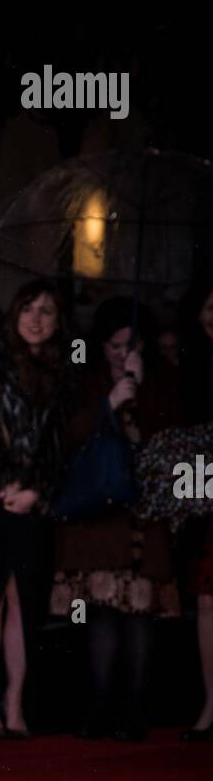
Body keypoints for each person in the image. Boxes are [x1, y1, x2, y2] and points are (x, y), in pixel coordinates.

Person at [50, 299, 180, 739]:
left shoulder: (160, 382)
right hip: (97, 520)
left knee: (139, 612)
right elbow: (67, 436)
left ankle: (135, 711)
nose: (124, 353)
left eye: (132, 344)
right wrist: (109, 400)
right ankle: (100, 707)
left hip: (143, 520)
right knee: (101, 613)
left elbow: (169, 441)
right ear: (102, 346)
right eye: (116, 345)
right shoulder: (85, 380)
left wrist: (141, 394)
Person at [0, 279, 72, 736]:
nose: (37, 319)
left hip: (34, 506)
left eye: (47, 311)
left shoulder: (63, 370)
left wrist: (37, 490)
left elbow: (63, 447)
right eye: (28, 309)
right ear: (14, 313)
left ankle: (14, 703)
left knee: (24, 601)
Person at [175, 280, 213, 740]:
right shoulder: (192, 366)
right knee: (206, 599)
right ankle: (209, 703)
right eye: (208, 306)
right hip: (204, 494)